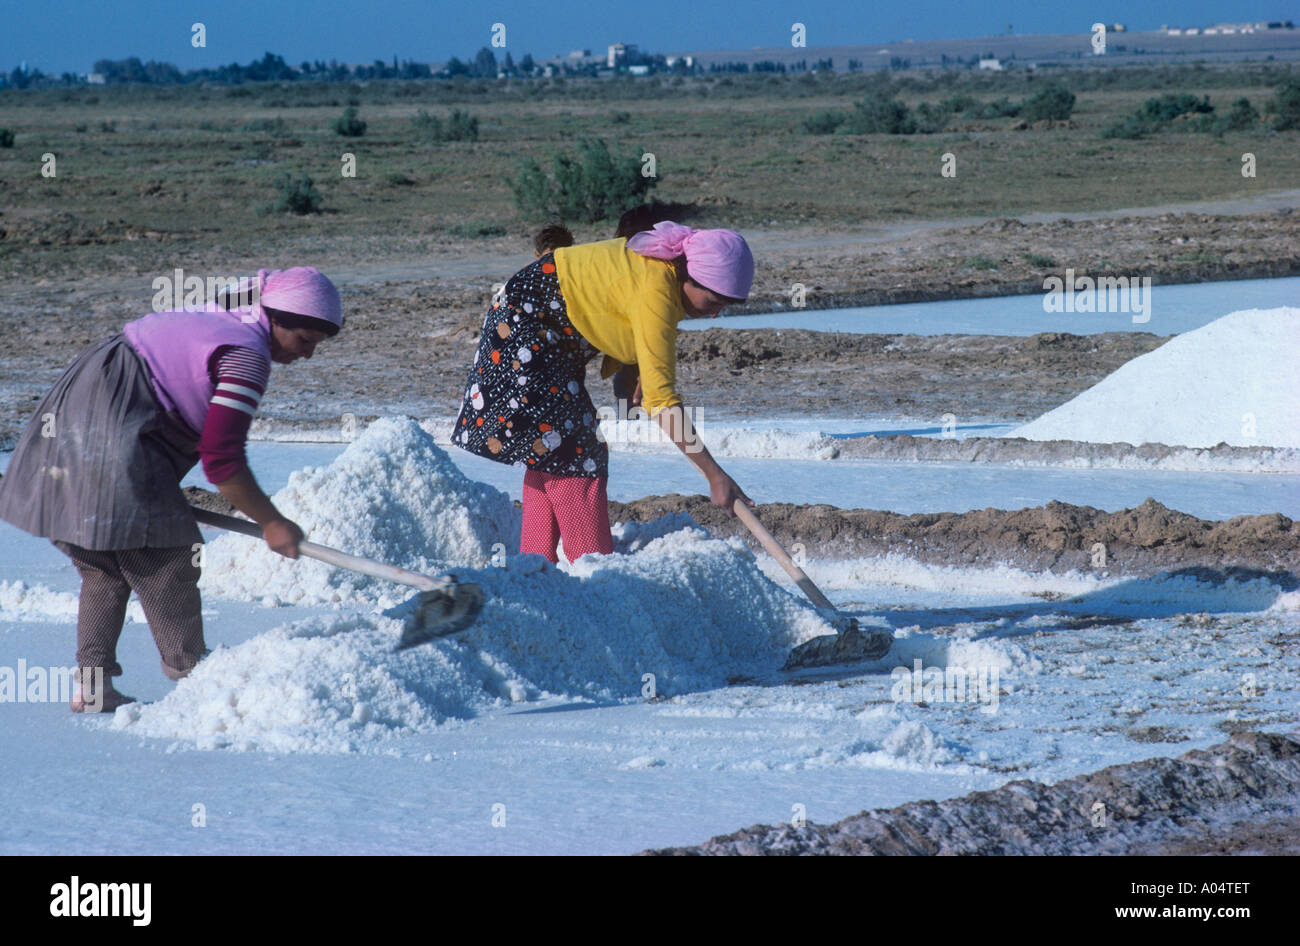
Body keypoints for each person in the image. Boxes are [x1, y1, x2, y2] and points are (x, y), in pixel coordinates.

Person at [0, 267, 343, 712]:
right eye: (305, 340)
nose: (309, 355)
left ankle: (92, 685)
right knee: (165, 557)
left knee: (104, 564)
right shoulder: (245, 355)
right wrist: (272, 522)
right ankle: (197, 679)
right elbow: (221, 460)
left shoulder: (229, 313)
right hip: (110, 423)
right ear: (275, 319)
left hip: (80, 405)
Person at [451, 220, 754, 564]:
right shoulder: (657, 289)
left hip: (532, 328)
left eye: (725, 306)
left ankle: (534, 570)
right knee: (579, 453)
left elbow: (615, 302)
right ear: (689, 274)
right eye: (712, 301)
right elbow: (661, 400)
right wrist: (716, 476)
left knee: (552, 449)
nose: (714, 313)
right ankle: (595, 570)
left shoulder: (663, 269)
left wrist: (633, 365)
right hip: (523, 332)